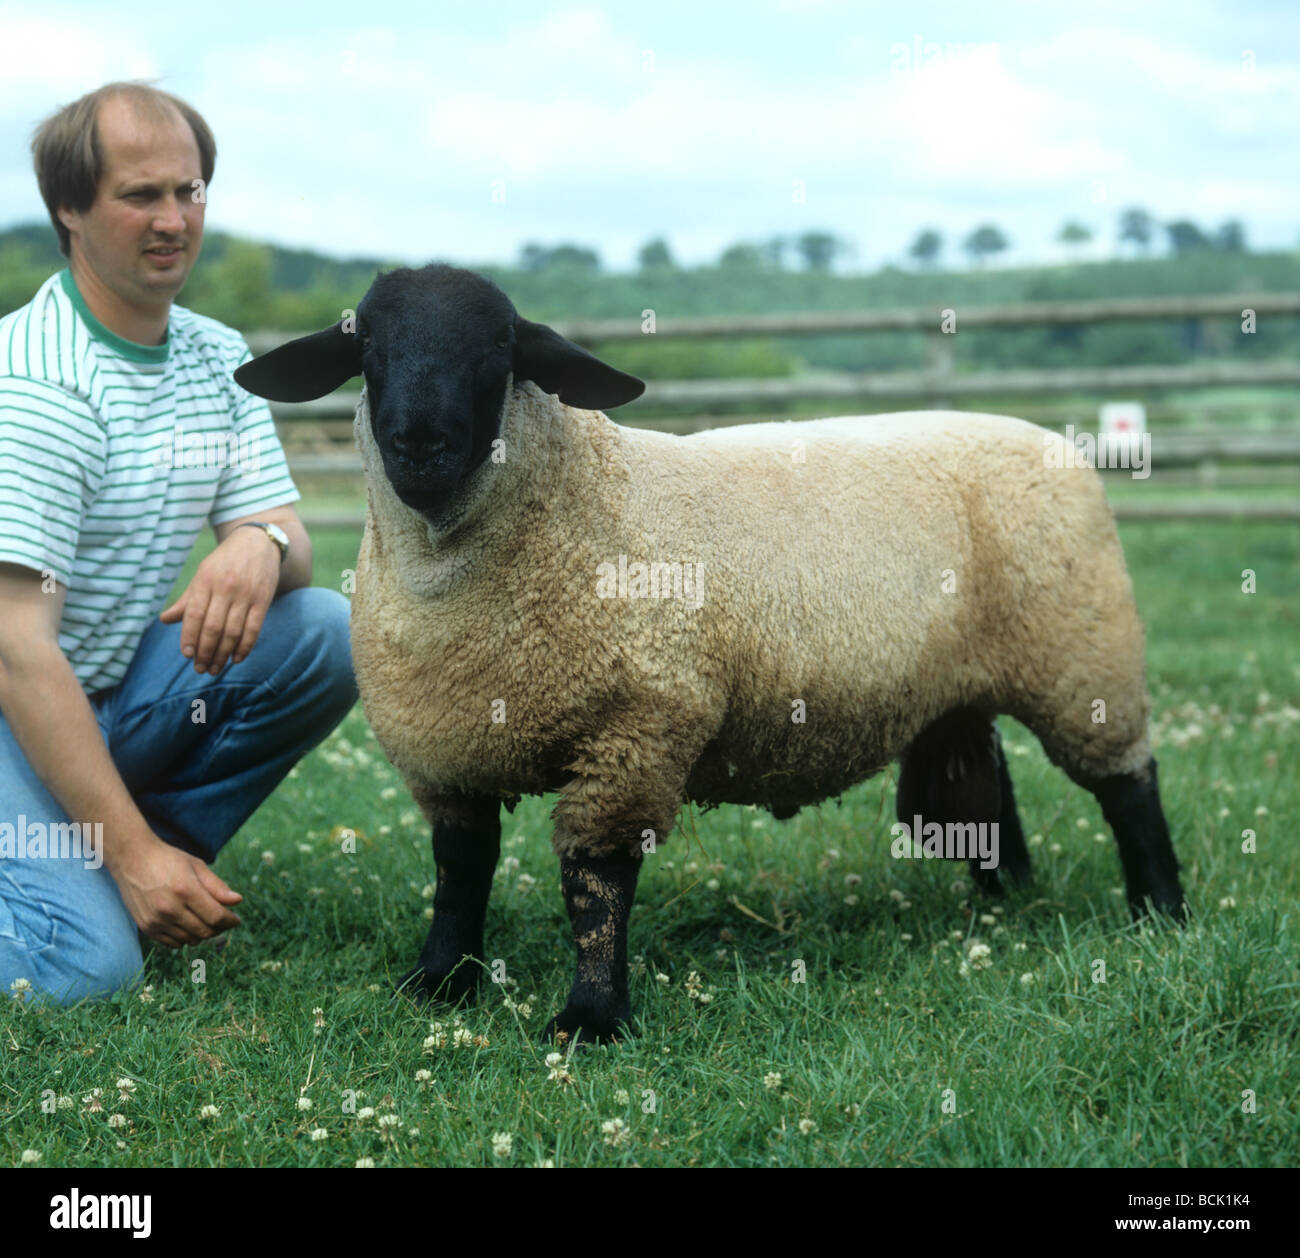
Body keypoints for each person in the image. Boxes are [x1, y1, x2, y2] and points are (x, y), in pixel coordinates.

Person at [0, 82, 358, 1004]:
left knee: (321, 630)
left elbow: (292, 542)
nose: (173, 220)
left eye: (188, 192)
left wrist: (259, 546)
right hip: (15, 708)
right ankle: (117, 879)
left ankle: (153, 867)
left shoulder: (209, 353)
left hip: (113, 694)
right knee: (89, 968)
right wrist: (124, 859)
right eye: (140, 195)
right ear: (69, 210)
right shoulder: (40, 384)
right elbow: (16, 652)